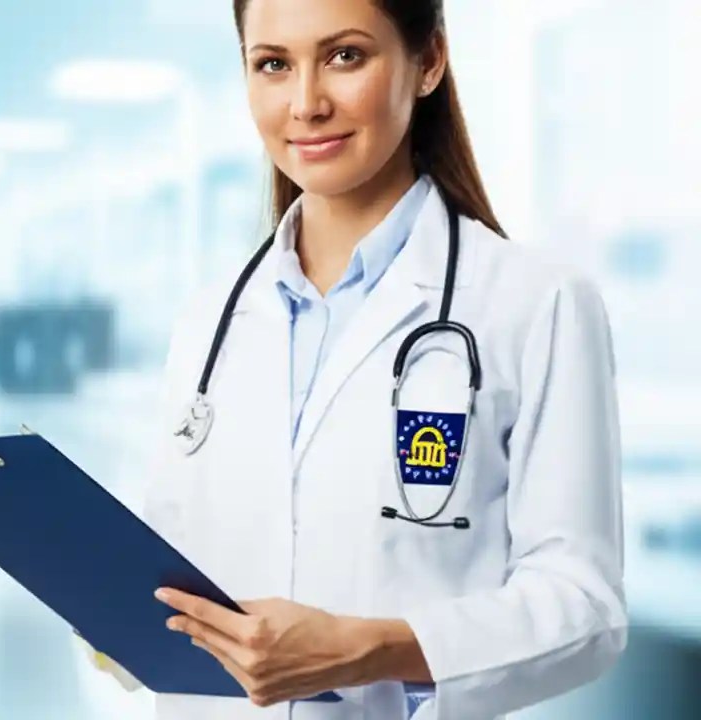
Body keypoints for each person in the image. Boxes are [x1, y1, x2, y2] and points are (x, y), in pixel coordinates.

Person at [81, 0, 627, 718]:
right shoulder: (211, 318)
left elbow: (582, 606)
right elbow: (177, 559)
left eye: (345, 56)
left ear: (428, 61)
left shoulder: (536, 303)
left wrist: (371, 647)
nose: (305, 103)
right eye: (273, 64)